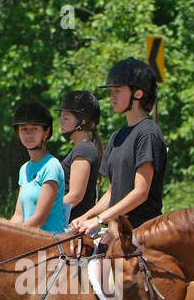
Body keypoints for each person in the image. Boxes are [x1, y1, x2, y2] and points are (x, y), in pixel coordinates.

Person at [68, 58, 166, 235]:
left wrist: (99, 220)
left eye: (118, 91)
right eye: (111, 91)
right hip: (116, 231)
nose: (112, 96)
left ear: (138, 94)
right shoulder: (117, 136)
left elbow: (141, 192)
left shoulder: (148, 133)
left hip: (141, 233)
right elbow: (112, 193)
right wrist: (87, 216)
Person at [9, 101, 68, 233]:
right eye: (24, 129)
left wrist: (11, 235)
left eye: (34, 129)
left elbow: (39, 218)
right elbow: (18, 216)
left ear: (45, 132)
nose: (29, 135)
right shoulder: (24, 169)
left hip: (49, 244)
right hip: (29, 239)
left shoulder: (51, 166)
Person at [57, 90, 103, 223]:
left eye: (66, 118)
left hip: (72, 227)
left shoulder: (83, 150)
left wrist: (45, 211)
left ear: (82, 121)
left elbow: (75, 195)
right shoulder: (84, 148)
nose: (60, 122)